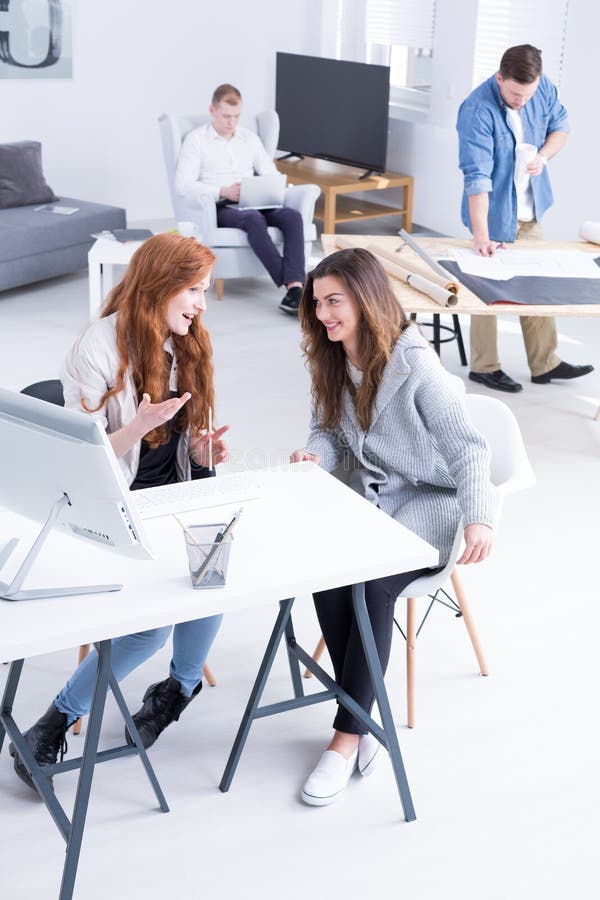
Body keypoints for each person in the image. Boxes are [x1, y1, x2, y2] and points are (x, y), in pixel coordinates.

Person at [9, 233, 230, 792]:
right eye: (193, 290)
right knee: (152, 629)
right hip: (115, 500)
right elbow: (77, 463)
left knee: (214, 574)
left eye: (204, 290)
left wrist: (203, 452)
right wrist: (137, 424)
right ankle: (55, 719)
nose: (202, 303)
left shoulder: (187, 343)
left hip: (179, 488)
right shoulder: (96, 347)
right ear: (159, 287)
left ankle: (178, 690)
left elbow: (184, 443)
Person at [290, 248, 495, 806]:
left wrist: (479, 519)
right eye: (318, 302)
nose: (325, 314)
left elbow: (468, 448)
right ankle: (365, 709)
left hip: (431, 500)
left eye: (335, 301)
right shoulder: (330, 360)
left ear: (366, 299)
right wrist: (313, 456)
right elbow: (327, 434)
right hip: (373, 499)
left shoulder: (415, 365)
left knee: (371, 583)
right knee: (328, 572)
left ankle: (345, 736)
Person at [457, 44, 593, 393]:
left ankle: (545, 363)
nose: (521, 101)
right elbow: (477, 179)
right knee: (487, 289)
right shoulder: (476, 110)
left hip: (531, 208)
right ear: (499, 77)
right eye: (515, 94)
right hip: (494, 211)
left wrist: (544, 157)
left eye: (527, 95)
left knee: (536, 285)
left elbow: (561, 128)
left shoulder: (542, 88)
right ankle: (484, 366)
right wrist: (481, 235)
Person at [175, 83, 305, 316]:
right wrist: (222, 191)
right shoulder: (196, 140)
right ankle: (292, 287)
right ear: (212, 110)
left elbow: (270, 172)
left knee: (292, 217)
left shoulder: (250, 138)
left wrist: (273, 187)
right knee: (253, 220)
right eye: (226, 115)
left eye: (236, 116)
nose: (231, 122)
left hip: (256, 199)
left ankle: (296, 287)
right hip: (222, 205)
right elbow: (184, 185)